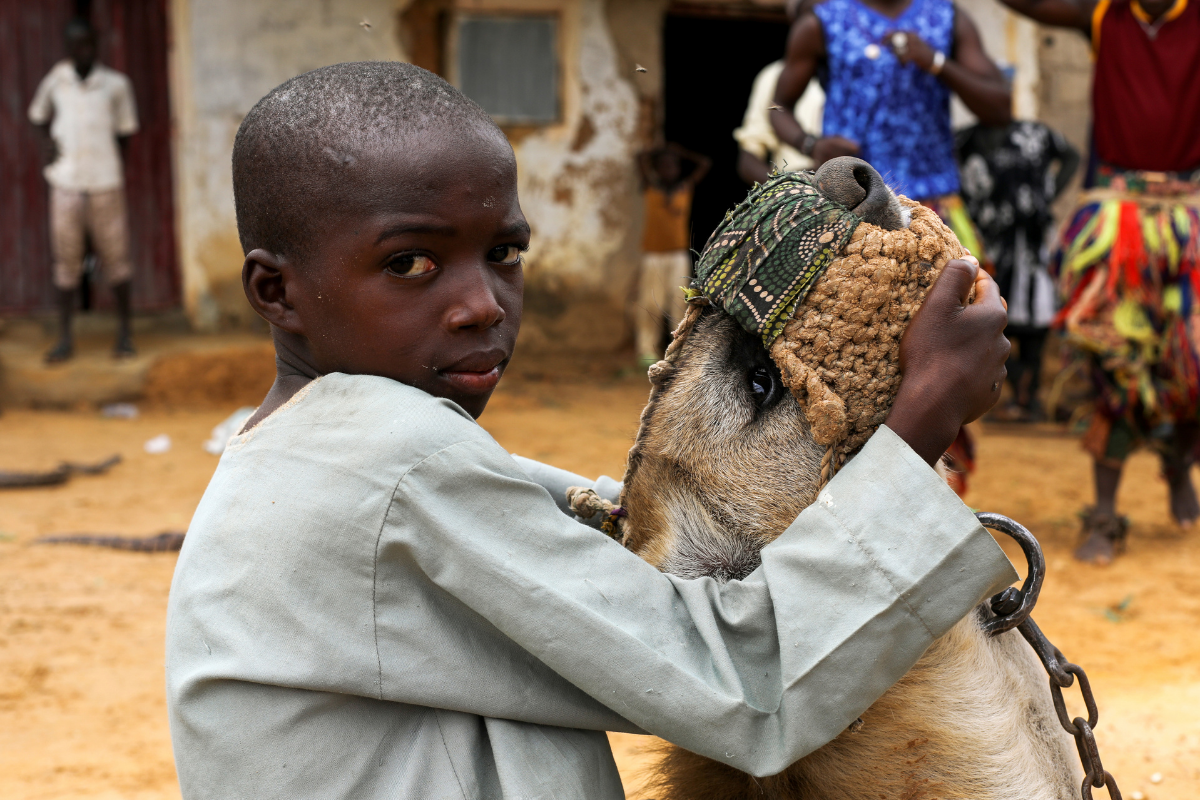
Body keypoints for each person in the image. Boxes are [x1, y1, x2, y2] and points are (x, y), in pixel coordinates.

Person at [165, 62, 1015, 799]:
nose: (481, 305)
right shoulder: (389, 462)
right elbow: (748, 690)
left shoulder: (314, 450)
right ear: (275, 292)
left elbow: (623, 544)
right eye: (410, 264)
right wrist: (919, 423)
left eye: (504, 254)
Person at [998, 0, 1200, 563]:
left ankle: (1177, 462)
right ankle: (1105, 515)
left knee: (1190, 367)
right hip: (1115, 218)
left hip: (1189, 216)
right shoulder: (1102, 14)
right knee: (1113, 359)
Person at [768, 0, 1012, 260]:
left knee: (959, 284)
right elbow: (777, 107)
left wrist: (936, 62)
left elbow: (1000, 109)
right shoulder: (823, 21)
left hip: (934, 209)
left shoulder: (946, 17)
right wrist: (810, 144)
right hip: (851, 209)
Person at [28, 18, 139, 363]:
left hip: (105, 184)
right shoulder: (56, 80)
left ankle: (125, 335)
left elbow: (125, 133)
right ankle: (65, 338)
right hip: (66, 184)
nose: (84, 50)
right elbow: (37, 115)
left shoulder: (116, 84)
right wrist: (48, 146)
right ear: (68, 48)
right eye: (77, 45)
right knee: (66, 261)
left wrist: (108, 165)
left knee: (117, 259)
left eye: (89, 43)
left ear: (96, 44)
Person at [956, 120, 1080, 420]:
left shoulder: (1036, 133)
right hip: (990, 245)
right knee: (995, 313)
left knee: (1037, 316)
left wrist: (1048, 194)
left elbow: (1072, 156)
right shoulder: (964, 140)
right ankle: (1010, 391)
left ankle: (1030, 397)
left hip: (1033, 242)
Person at [733, 0, 825, 185]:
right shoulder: (772, 77)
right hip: (795, 189)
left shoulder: (864, 71)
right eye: (811, 16)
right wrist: (788, 187)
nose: (818, 24)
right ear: (795, 22)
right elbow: (748, 157)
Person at [635, 142, 709, 366]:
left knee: (678, 303)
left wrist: (681, 151)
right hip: (653, 255)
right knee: (650, 303)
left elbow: (705, 163)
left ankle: (678, 351)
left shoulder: (685, 188)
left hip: (678, 256)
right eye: (663, 166)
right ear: (656, 169)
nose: (669, 170)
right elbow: (639, 157)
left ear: (679, 168)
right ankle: (646, 350)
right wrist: (659, 150)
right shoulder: (651, 187)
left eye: (673, 165)